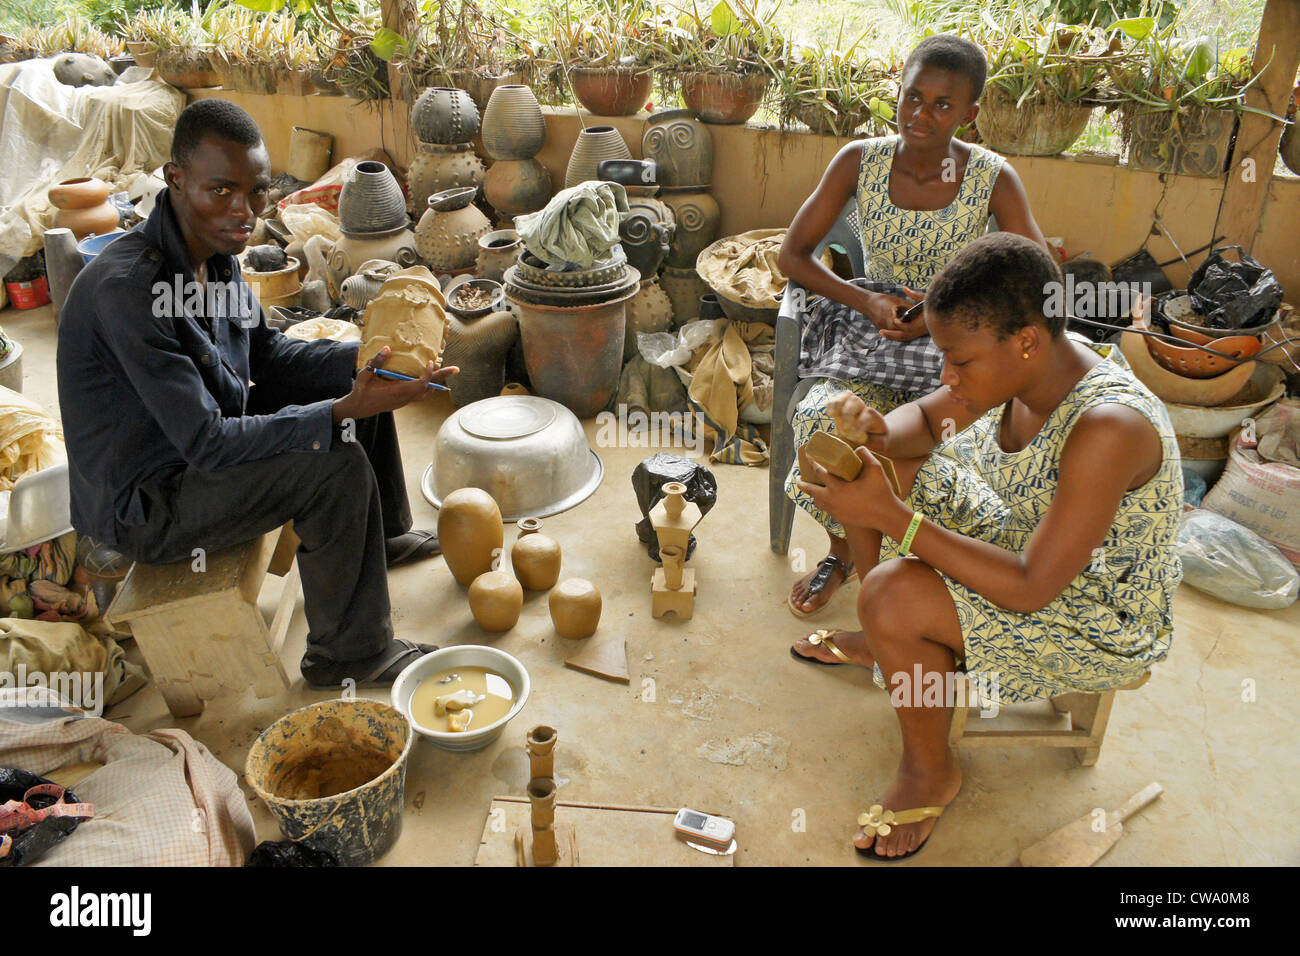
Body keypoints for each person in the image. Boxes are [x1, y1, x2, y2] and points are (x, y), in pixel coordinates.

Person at [789, 233, 1182, 859]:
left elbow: (1032, 586)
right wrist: (876, 432)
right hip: (1017, 530)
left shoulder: (1109, 428)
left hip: (1091, 610)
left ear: (1026, 339)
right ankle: (895, 642)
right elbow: (923, 423)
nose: (947, 375)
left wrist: (895, 519)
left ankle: (930, 769)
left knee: (893, 592)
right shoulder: (1024, 366)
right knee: (846, 461)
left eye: (958, 360)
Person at [56, 99, 455, 687]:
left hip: (199, 441)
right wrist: (343, 409)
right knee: (331, 459)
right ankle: (348, 653)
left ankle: (385, 533)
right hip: (150, 499)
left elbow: (265, 357)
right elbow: (209, 443)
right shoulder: (130, 290)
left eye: (256, 192)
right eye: (222, 190)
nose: (244, 212)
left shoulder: (213, 255)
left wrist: (373, 362)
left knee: (361, 378)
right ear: (176, 179)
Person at [778, 34, 1047, 620]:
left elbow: (1038, 281)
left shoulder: (992, 178)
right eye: (912, 97)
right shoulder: (859, 161)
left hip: (958, 349)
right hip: (874, 335)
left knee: (948, 459)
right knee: (822, 423)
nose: (921, 115)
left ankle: (917, 570)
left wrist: (937, 314)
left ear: (971, 115)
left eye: (943, 105)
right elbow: (793, 256)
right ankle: (843, 550)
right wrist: (864, 301)